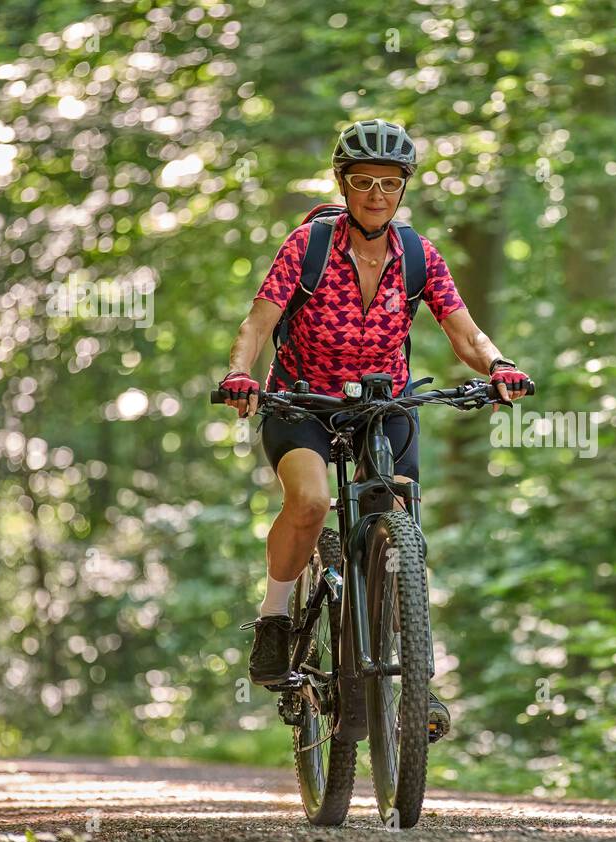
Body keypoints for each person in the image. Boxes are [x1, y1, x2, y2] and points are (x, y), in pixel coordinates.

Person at [216, 119, 532, 742]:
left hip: (384, 405)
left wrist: (498, 365)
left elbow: (464, 332)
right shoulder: (307, 246)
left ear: (403, 188)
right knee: (309, 503)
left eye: (390, 183)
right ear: (343, 183)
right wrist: (239, 374)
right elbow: (258, 323)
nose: (377, 194)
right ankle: (276, 621)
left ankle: (410, 669)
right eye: (363, 181)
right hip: (301, 402)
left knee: (401, 520)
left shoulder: (417, 255)